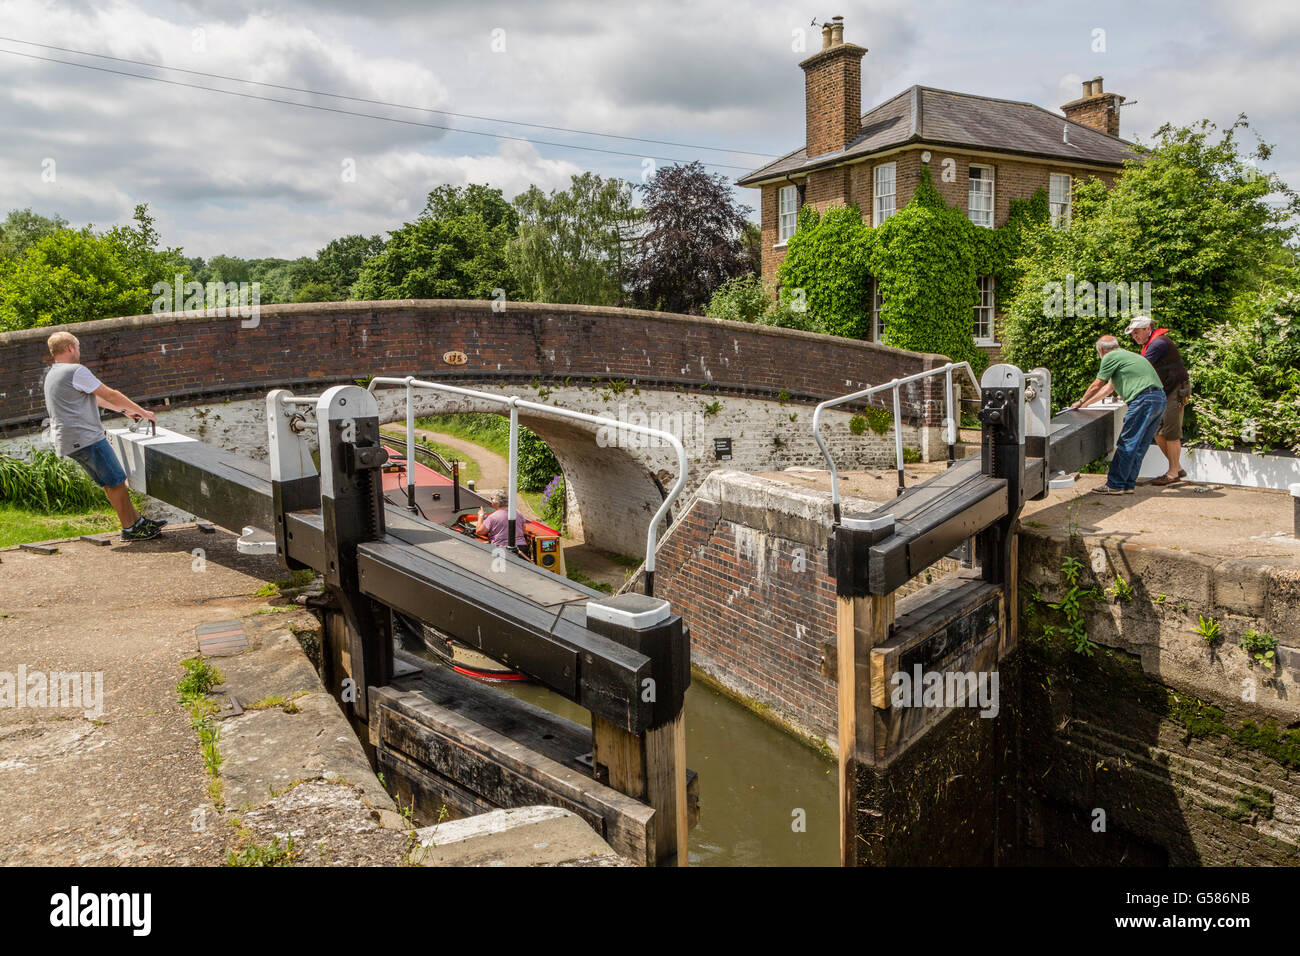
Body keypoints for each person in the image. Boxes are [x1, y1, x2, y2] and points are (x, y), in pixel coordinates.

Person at [42, 331, 165, 541]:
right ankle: (131, 528)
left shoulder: (54, 373)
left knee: (110, 481)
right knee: (116, 480)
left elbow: (94, 398)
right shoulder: (75, 370)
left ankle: (137, 522)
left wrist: (124, 411)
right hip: (86, 437)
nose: (79, 352)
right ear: (71, 348)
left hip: (70, 440)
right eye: (78, 348)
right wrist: (144, 412)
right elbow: (110, 393)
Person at [1069, 335, 1166, 495]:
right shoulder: (1129, 356)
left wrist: (1080, 401)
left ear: (1100, 349)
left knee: (1127, 442)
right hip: (1159, 398)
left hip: (1143, 400)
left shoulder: (1110, 357)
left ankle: (1115, 484)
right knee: (1140, 444)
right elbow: (1108, 388)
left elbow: (1097, 384)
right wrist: (1085, 405)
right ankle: (1128, 484)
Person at [1126, 314, 1190, 486]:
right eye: (1133, 334)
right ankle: (1177, 467)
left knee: (1171, 432)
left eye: (1137, 332)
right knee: (1157, 431)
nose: (1134, 337)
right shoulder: (1151, 343)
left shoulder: (1158, 344)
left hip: (1175, 390)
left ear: (1148, 329)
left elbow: (1141, 368)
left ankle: (1172, 474)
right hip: (1165, 390)